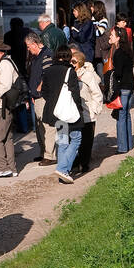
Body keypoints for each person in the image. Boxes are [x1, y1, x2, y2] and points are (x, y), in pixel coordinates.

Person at [41, 46, 85, 184]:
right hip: (70, 112)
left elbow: (44, 92)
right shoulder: (69, 71)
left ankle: (62, 173)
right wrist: (78, 110)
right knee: (76, 139)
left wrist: (54, 102)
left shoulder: (47, 71)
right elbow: (75, 94)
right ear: (67, 57)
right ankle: (62, 169)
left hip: (56, 112)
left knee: (62, 142)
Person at [0, 41, 20, 178]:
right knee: (7, 137)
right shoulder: (5, 62)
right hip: (7, 105)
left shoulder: (5, 64)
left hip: (4, 105)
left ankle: (1, 167)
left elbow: (4, 85)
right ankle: (11, 168)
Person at [70, 48, 104, 175]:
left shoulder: (88, 75)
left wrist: (95, 109)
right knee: (74, 140)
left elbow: (97, 93)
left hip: (88, 112)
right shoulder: (70, 75)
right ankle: (74, 163)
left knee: (86, 141)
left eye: (74, 61)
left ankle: (84, 164)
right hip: (74, 113)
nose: (72, 64)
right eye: (70, 61)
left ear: (80, 62)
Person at [25, 30, 54, 164]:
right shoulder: (35, 57)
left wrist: (39, 89)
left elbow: (47, 74)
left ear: (35, 44)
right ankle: (43, 152)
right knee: (39, 127)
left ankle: (50, 155)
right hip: (35, 97)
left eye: (28, 46)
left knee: (47, 126)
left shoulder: (47, 55)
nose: (28, 49)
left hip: (42, 97)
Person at [107, 24, 134, 153]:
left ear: (118, 38)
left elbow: (118, 72)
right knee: (127, 115)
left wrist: (111, 73)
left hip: (123, 87)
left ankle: (122, 147)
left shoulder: (118, 53)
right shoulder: (128, 50)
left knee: (121, 117)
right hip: (130, 85)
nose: (110, 37)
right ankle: (128, 144)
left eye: (112, 35)